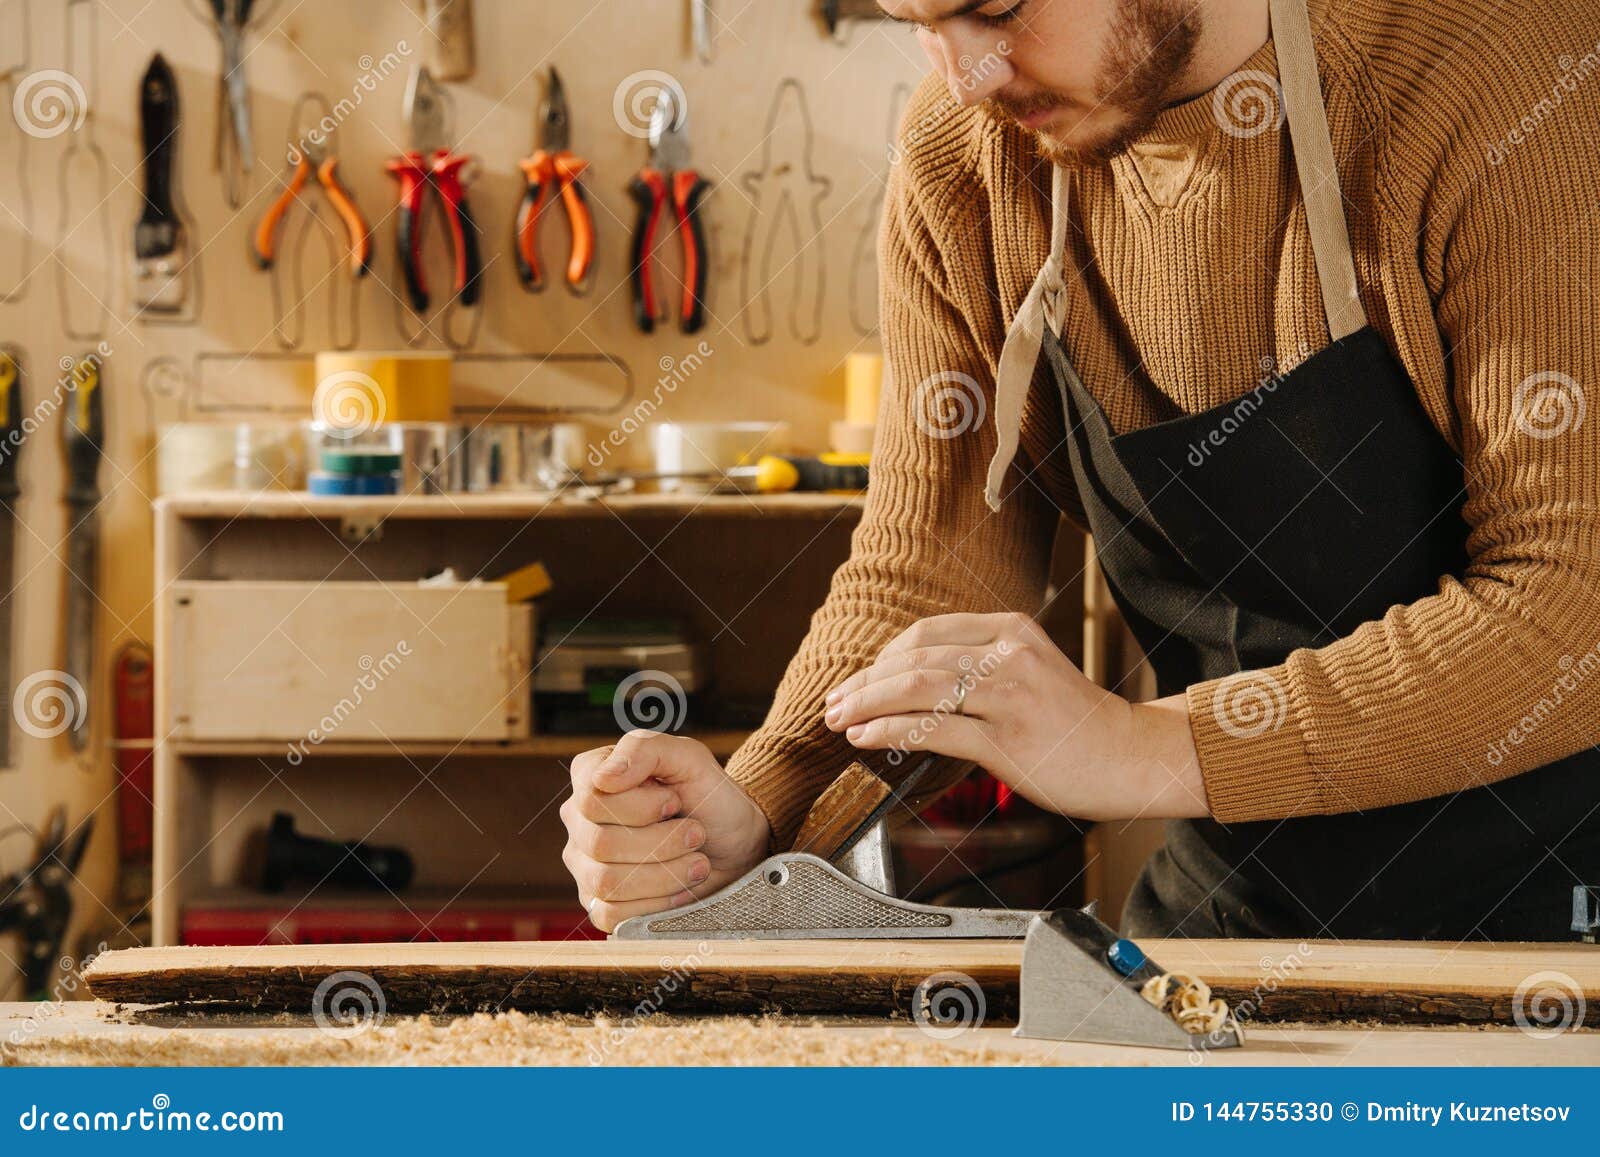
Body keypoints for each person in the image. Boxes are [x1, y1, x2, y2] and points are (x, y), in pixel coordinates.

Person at [562, 0, 1600, 940]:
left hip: (1554, 928)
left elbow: (1573, 604)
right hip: (1245, 926)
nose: (963, 73)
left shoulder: (1510, 79)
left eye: (995, 9)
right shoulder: (964, 155)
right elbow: (930, 567)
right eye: (915, 22)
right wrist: (753, 820)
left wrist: (1139, 746)